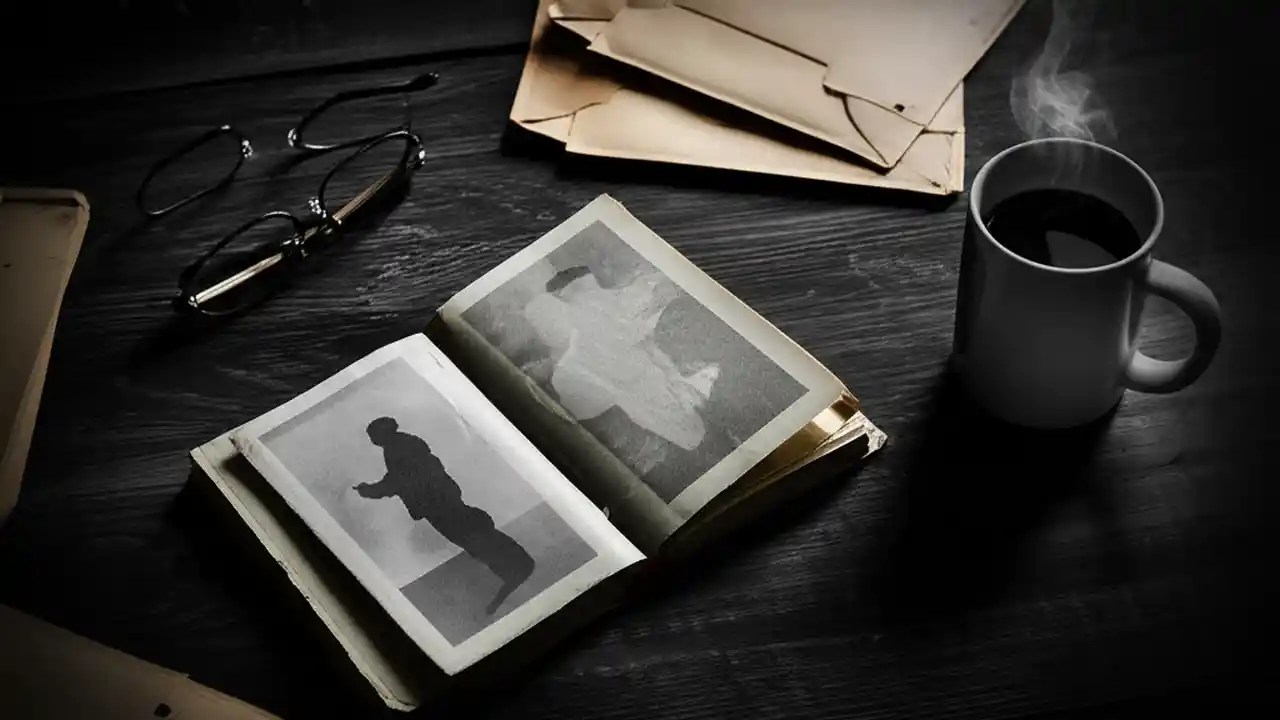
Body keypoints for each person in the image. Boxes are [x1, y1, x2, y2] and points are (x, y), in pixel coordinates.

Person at [353, 416, 534, 615]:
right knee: (470, 533)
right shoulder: (403, 444)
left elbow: (398, 480)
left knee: (470, 536)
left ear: (382, 433)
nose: (372, 439)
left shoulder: (397, 448)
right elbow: (400, 478)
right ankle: (514, 567)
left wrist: (369, 490)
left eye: (373, 435)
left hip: (436, 503)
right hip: (440, 499)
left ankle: (516, 567)